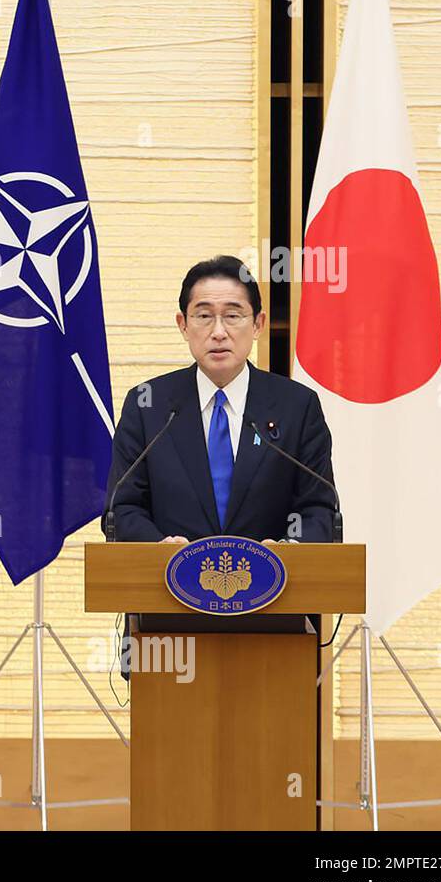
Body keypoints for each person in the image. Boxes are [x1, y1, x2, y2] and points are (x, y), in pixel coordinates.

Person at [105, 256, 337, 667]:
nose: (218, 332)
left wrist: (288, 550)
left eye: (233, 316)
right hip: (167, 628)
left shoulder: (296, 406)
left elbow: (319, 505)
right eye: (203, 316)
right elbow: (122, 505)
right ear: (182, 324)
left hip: (274, 620)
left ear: (259, 324)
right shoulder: (149, 405)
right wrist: (158, 548)